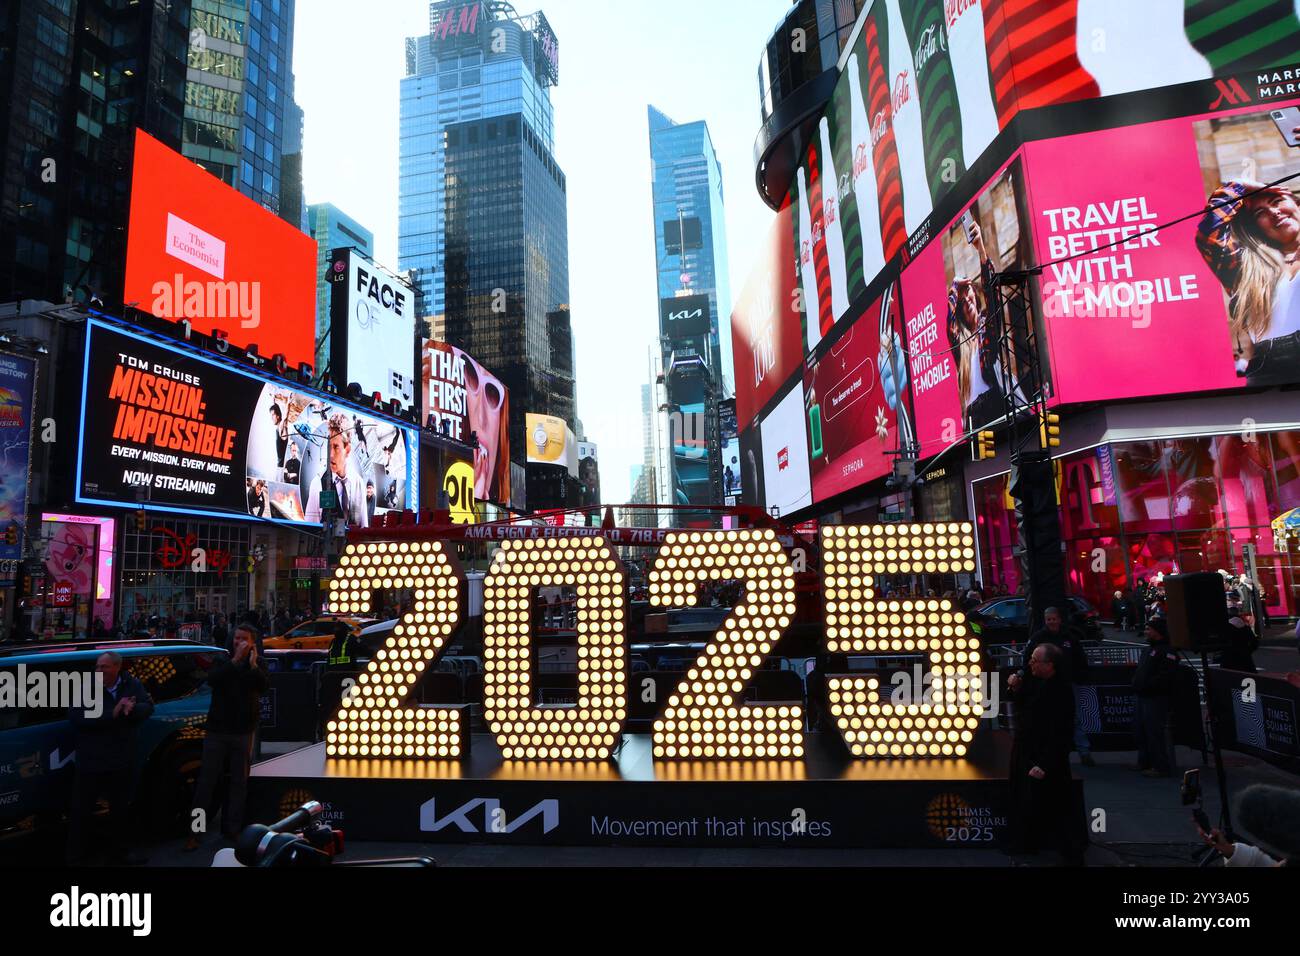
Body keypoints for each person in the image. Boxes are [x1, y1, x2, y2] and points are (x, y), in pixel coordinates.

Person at [1196, 171, 1300, 387]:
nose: (1273, 212)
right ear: (1255, 227)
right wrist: (1241, 186)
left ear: (1296, 203)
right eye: (1260, 212)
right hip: (1270, 371)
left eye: (1277, 200)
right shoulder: (1246, 270)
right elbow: (1209, 234)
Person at [184, 625, 269, 851]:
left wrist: (251, 666)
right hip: (217, 731)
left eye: (243, 639)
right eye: (236, 638)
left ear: (252, 642)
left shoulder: (257, 664)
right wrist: (235, 661)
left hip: (243, 731)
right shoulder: (222, 661)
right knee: (206, 783)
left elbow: (263, 686)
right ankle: (195, 831)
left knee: (238, 782)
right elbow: (214, 680)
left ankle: (232, 830)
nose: (238, 642)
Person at [66, 652, 156, 865]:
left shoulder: (131, 683)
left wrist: (130, 709)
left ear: (117, 668)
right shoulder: (87, 686)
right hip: (92, 760)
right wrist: (113, 713)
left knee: (120, 809)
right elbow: (77, 716)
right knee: (81, 811)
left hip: (121, 758)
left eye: (104, 667)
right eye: (97, 667)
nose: (99, 671)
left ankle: (120, 852)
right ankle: (76, 856)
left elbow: (148, 706)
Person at [1007, 643, 1085, 865]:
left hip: (1046, 757)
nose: (1030, 663)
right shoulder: (1035, 681)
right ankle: (1027, 843)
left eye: (1035, 660)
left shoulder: (1060, 691)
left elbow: (1061, 732)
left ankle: (1071, 853)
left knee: (1057, 807)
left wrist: (1044, 763)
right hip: (1027, 749)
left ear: (1049, 665)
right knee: (1027, 801)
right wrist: (1016, 688)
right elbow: (1023, 706)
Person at [1010, 606, 1093, 765]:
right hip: (1043, 684)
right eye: (1049, 619)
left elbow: (1080, 658)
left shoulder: (1069, 637)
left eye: (1054, 619)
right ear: (1045, 620)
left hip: (1066, 683)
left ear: (1060, 619)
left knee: (1073, 718)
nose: (1052, 622)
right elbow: (1027, 658)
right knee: (1046, 719)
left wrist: (1080, 675)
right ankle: (1048, 755)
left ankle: (1084, 752)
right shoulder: (1038, 637)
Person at [1132, 618, 1179, 777]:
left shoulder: (1167, 651)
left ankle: (1160, 766)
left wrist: (1148, 685)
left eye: (1149, 629)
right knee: (1142, 731)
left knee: (1154, 732)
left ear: (1157, 631)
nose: (1146, 632)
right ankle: (1145, 761)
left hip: (1155, 697)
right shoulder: (1149, 650)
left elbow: (1166, 676)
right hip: (1142, 695)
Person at [308, 413, 369, 528]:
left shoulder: (359, 483)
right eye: (329, 446)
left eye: (336, 447)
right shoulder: (317, 483)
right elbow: (310, 530)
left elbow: (364, 528)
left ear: (348, 449)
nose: (330, 454)